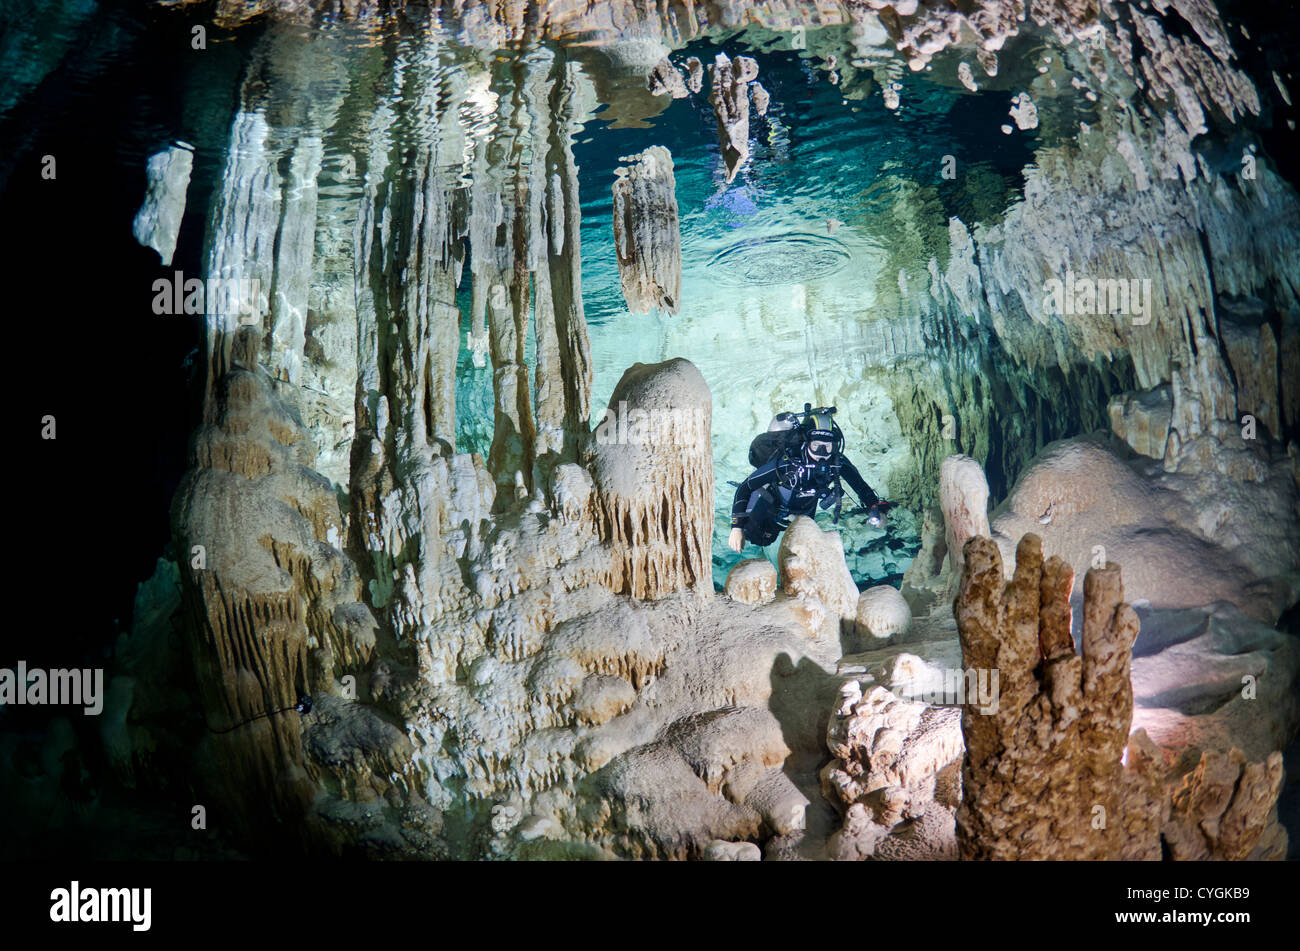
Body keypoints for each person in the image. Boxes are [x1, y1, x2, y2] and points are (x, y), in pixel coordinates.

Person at [728, 406, 888, 552]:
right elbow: (745, 487)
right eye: (816, 445)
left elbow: (860, 486)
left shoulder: (836, 461)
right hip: (773, 502)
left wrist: (876, 508)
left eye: (827, 447)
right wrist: (736, 527)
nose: (821, 453)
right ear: (806, 444)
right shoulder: (787, 463)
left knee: (803, 549)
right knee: (759, 538)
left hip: (804, 509)